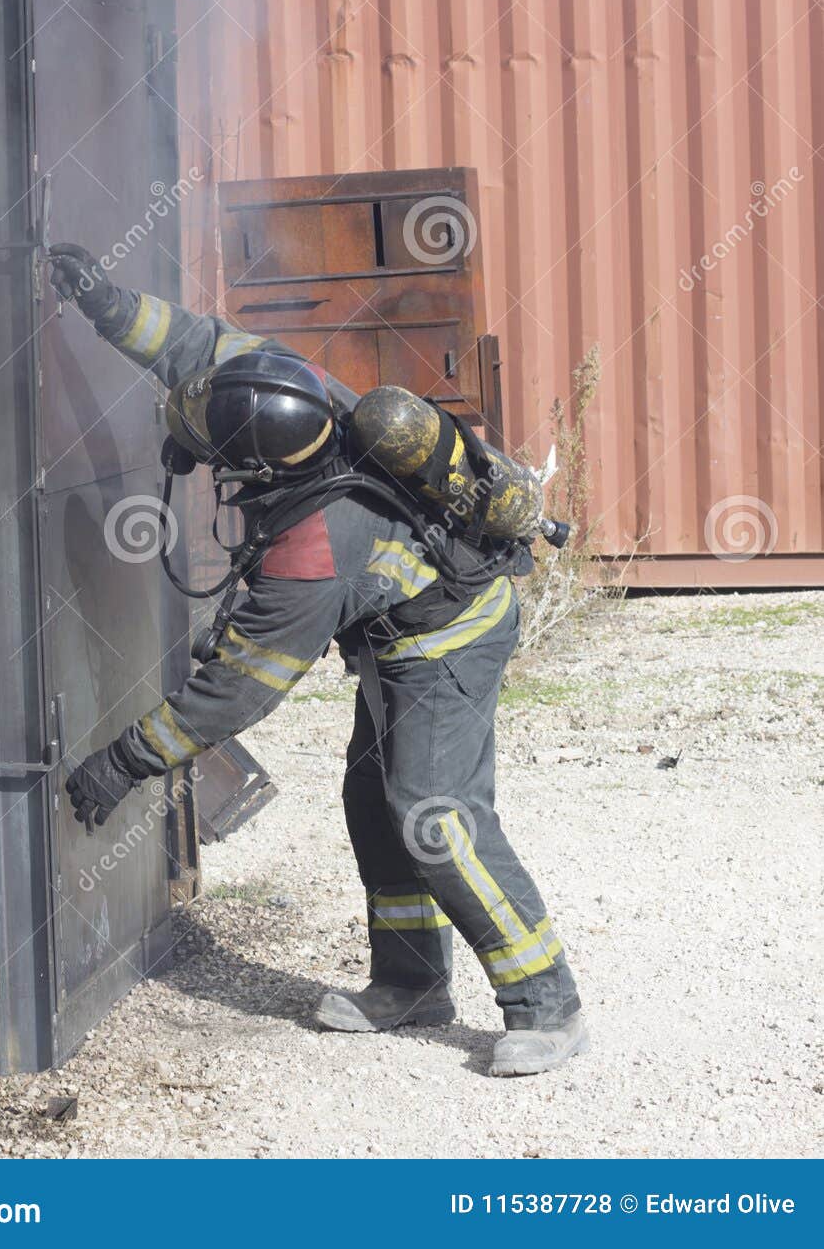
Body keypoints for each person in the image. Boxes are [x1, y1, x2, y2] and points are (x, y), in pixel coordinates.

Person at [48, 242, 587, 1077]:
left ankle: (546, 1005)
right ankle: (410, 984)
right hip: (393, 634)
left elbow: (232, 693)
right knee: (374, 800)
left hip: (448, 639)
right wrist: (105, 302)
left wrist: (124, 762)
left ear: (254, 464)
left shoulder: (311, 547)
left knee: (433, 811)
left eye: (214, 451)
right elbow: (198, 348)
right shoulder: (292, 396)